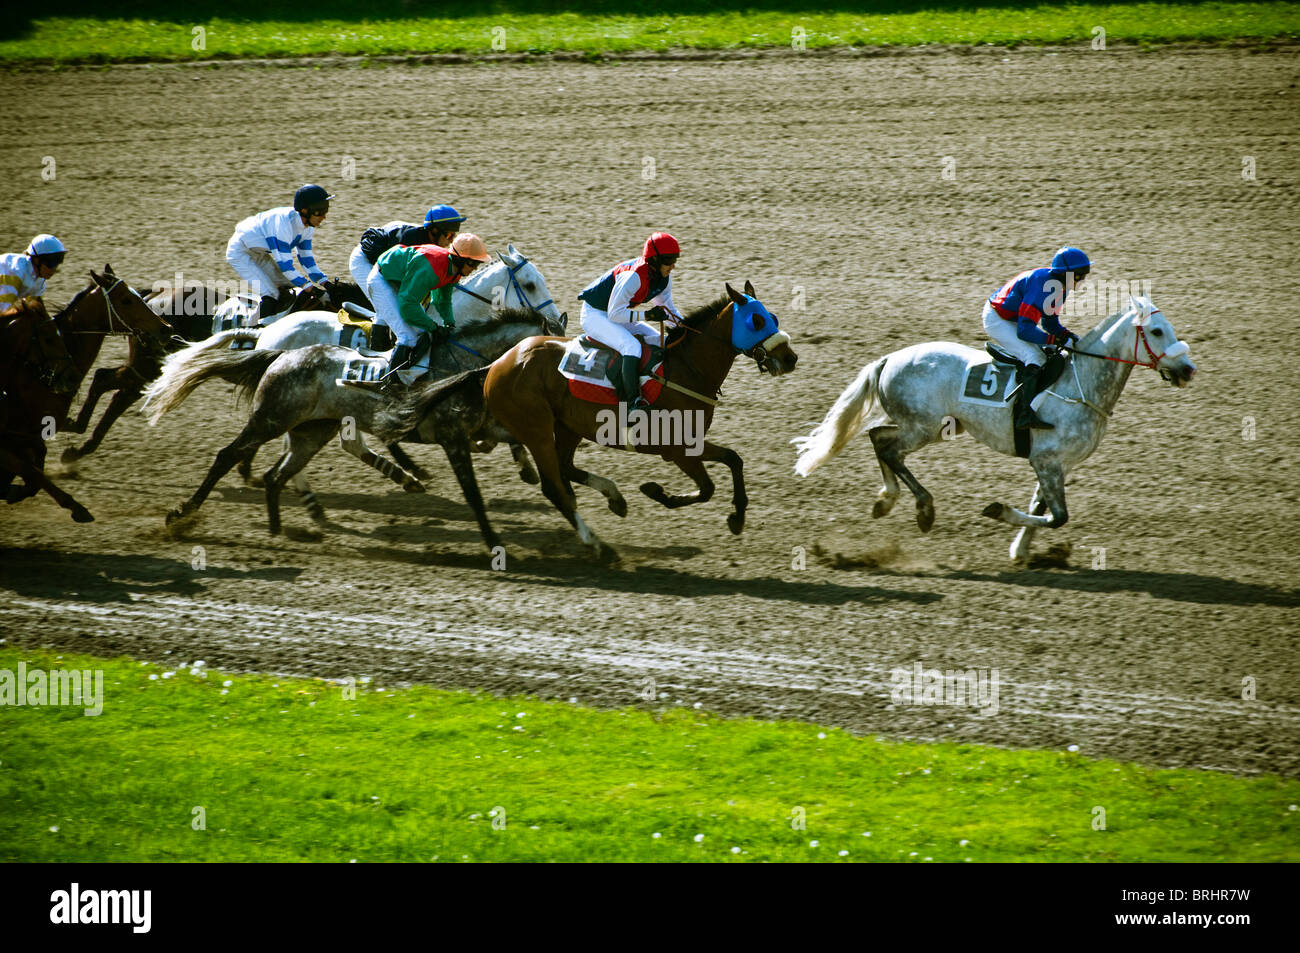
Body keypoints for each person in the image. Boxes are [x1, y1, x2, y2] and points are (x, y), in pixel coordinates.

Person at [983, 246, 1089, 429]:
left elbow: (1049, 324)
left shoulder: (1060, 288)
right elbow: (1024, 331)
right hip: (997, 319)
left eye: (1084, 274)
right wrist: (1052, 340)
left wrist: (1065, 335)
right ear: (1065, 274)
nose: (1083, 279)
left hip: (1014, 318)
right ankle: (1024, 415)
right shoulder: (1042, 287)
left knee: (1054, 352)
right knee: (1035, 357)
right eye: (1079, 275)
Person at [577, 232, 684, 408]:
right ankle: (633, 402)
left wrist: (687, 328)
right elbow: (614, 315)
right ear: (655, 260)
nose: (672, 266)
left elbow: (669, 310)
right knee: (631, 346)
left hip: (617, 313)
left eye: (675, 260)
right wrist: (648, 315)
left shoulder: (663, 279)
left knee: (661, 341)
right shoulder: (634, 277)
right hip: (595, 314)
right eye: (668, 260)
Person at [370, 233, 491, 383]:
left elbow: (442, 300)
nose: (474, 268)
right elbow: (407, 306)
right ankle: (388, 385)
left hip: (401, 281)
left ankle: (408, 375)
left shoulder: (455, 272)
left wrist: (449, 323)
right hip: (381, 279)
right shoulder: (431, 269)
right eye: (472, 263)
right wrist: (433, 327)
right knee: (407, 336)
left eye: (477, 264)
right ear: (459, 259)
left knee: (422, 334)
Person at [225, 184, 332, 319]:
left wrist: (324, 282)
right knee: (271, 294)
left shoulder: (307, 227)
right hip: (240, 253)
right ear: (304, 210)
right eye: (320, 211)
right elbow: (285, 266)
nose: (324, 216)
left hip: (259, 254)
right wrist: (312, 288)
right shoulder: (283, 225)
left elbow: (307, 260)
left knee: (291, 286)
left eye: (325, 210)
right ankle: (254, 333)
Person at [0, 235, 77, 390]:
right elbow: (3, 313)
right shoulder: (15, 271)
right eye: (51, 263)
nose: (54, 269)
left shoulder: (40, 281)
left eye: (58, 262)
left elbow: (33, 312)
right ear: (36, 259)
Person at [349, 205, 466, 290]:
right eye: (449, 235)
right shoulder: (411, 243)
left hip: (386, 254)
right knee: (386, 302)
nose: (451, 241)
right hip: (363, 259)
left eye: (454, 235)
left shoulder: (430, 240)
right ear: (435, 231)